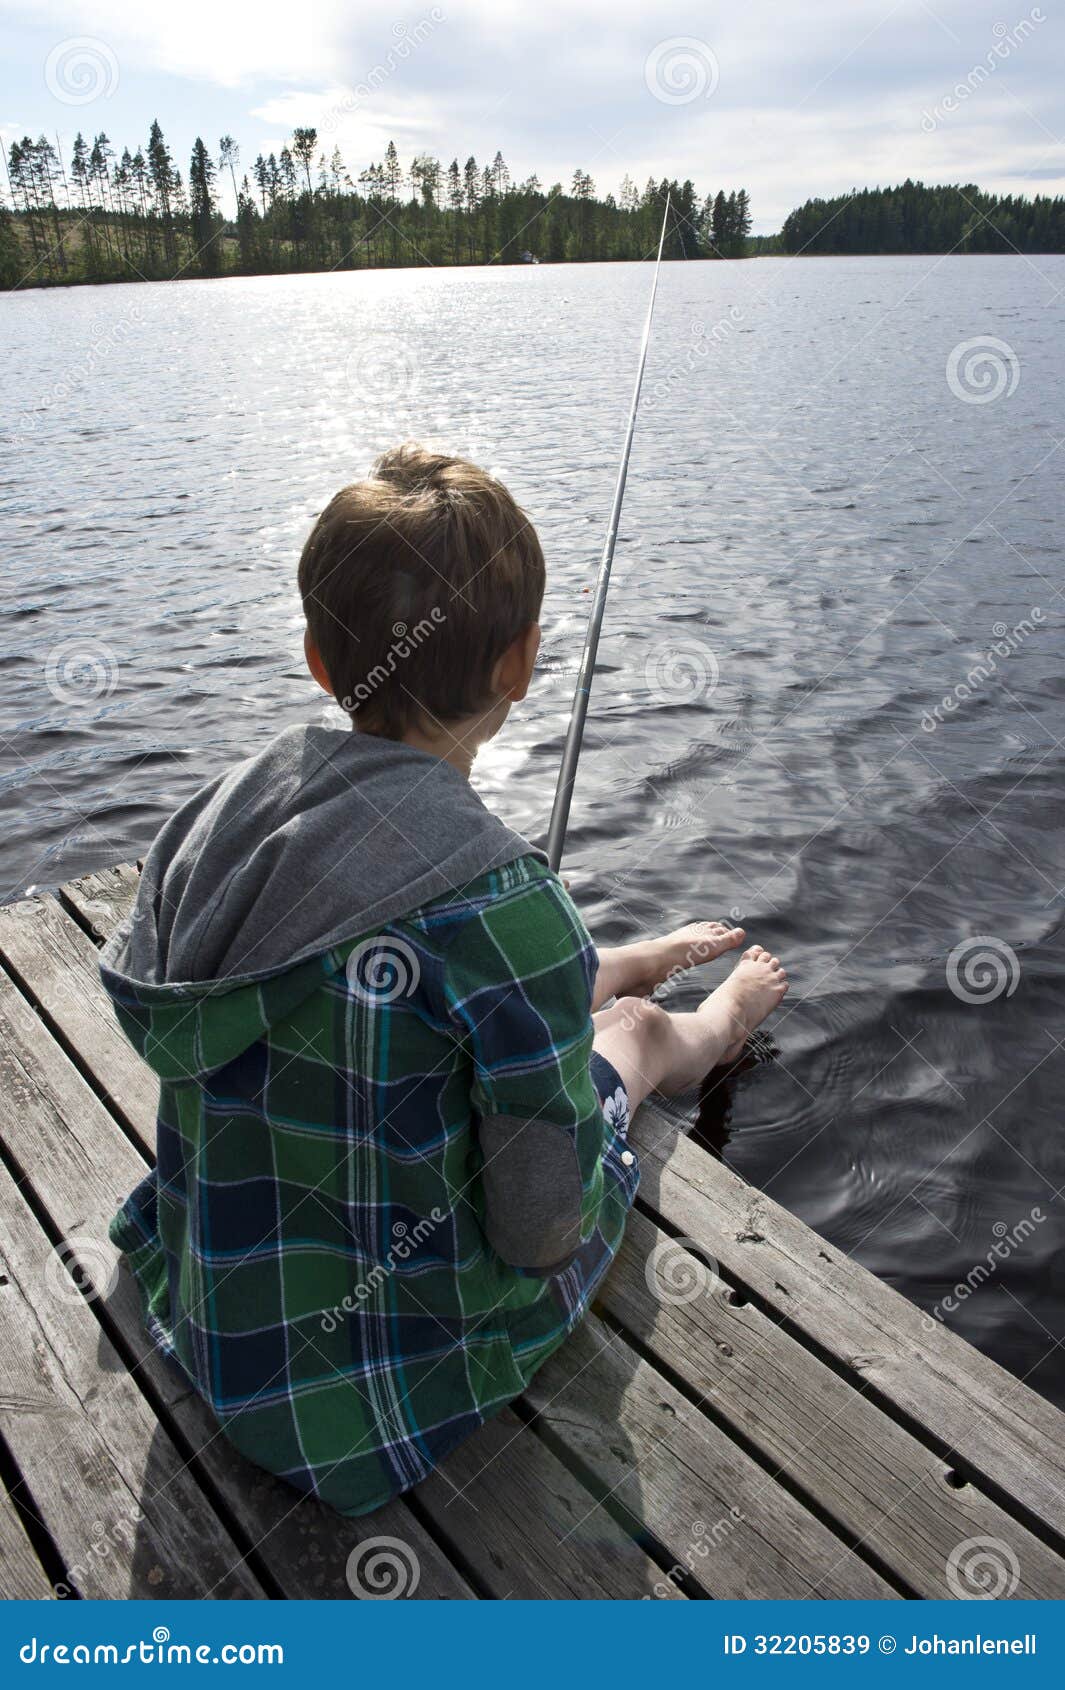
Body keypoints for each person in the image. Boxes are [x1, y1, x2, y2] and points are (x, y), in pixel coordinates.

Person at [102, 445, 787, 1516]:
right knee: (634, 1039)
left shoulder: (215, 829)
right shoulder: (505, 910)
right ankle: (711, 1017)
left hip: (226, 1321)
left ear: (321, 661)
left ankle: (609, 966)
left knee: (492, 989)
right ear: (519, 666)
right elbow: (537, 1227)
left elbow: (349, 981)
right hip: (371, 1384)